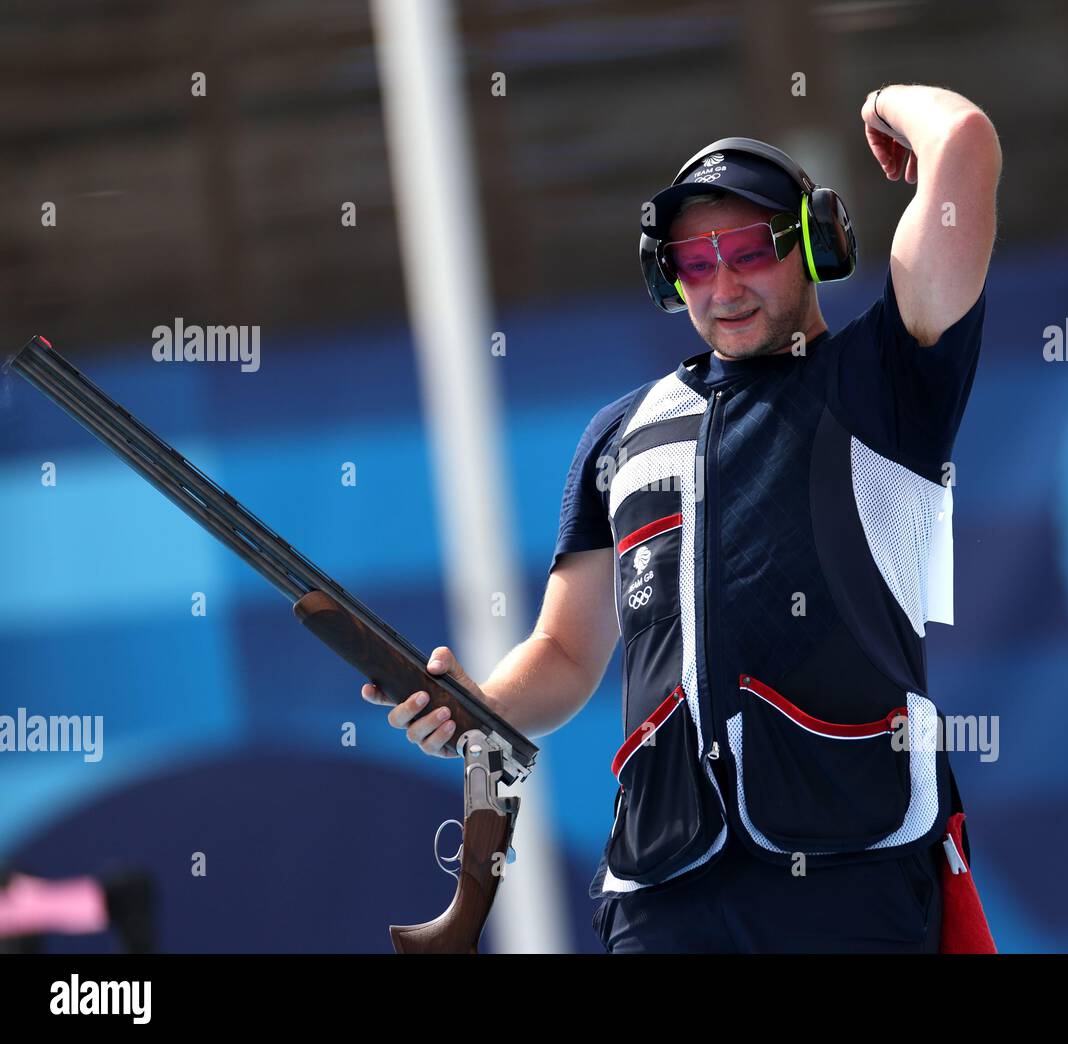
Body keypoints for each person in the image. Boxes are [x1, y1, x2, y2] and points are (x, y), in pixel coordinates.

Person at [364, 84, 1001, 953]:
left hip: (855, 870)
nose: (723, 284)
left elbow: (963, 142)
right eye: (693, 263)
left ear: (817, 242)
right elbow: (563, 653)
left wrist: (886, 105)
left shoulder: (885, 377)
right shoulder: (616, 437)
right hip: (664, 890)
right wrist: (479, 706)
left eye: (748, 249)